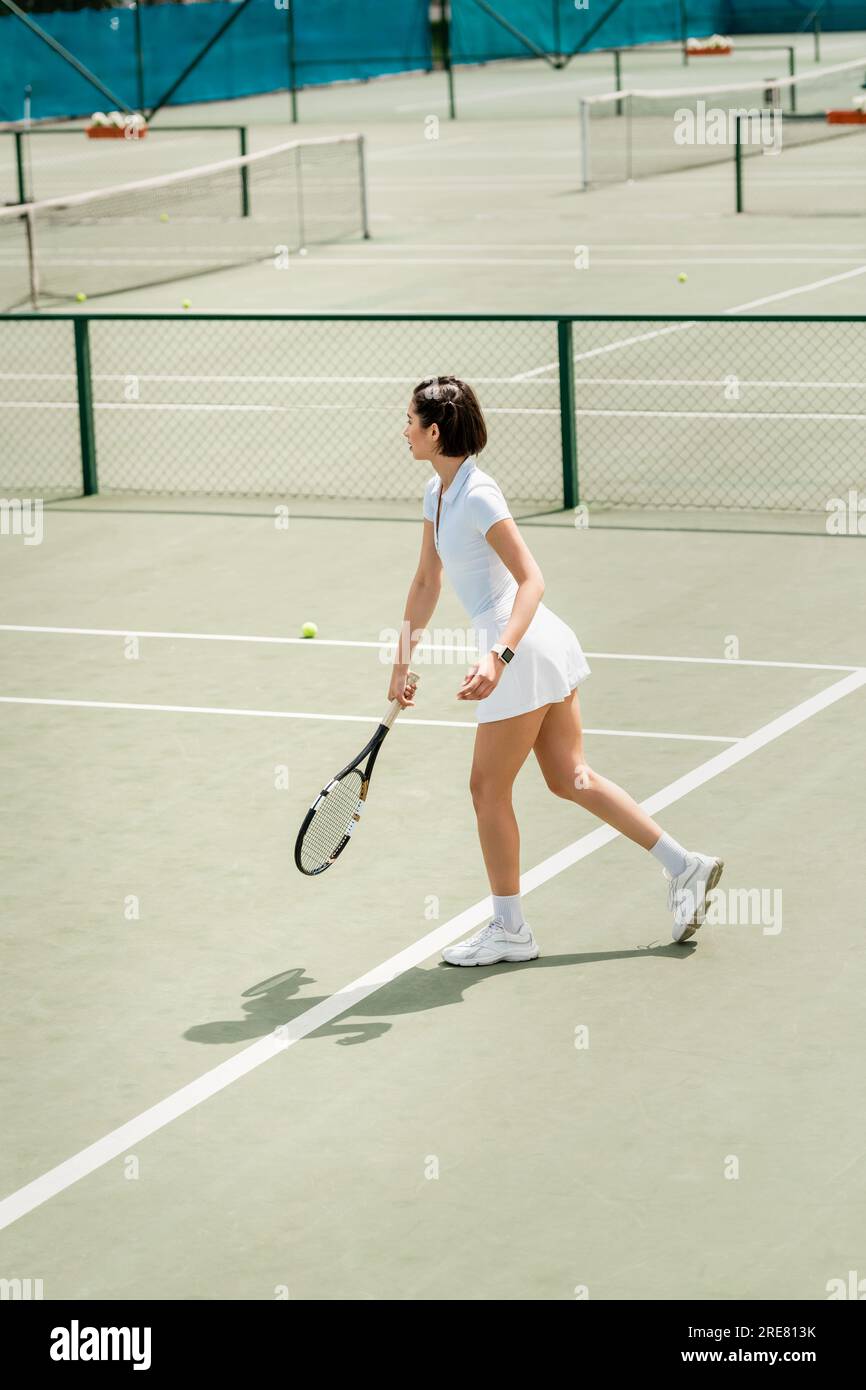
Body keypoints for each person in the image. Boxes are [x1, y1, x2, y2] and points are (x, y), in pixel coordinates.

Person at [389, 375, 723, 966]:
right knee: (571, 778)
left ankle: (511, 929)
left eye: (410, 421)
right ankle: (684, 865)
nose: (403, 430)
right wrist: (401, 661)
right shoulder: (435, 494)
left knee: (486, 790)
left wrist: (498, 656)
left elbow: (532, 579)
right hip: (537, 649)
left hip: (518, 648)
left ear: (435, 431)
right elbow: (426, 581)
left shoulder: (479, 495)